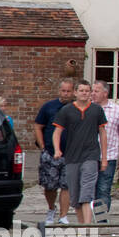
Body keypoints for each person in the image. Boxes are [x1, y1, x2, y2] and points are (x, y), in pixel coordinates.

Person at [51, 80, 107, 224]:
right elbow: (57, 132)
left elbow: (102, 133)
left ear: (90, 93)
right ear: (75, 92)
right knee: (75, 197)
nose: (84, 93)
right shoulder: (66, 110)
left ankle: (87, 227)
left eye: (87, 91)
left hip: (91, 155)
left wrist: (104, 158)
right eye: (81, 90)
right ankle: (82, 227)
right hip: (72, 157)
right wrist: (57, 149)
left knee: (87, 193)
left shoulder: (96, 110)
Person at [33, 78, 74, 224]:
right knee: (49, 186)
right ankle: (51, 208)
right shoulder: (49, 107)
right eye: (63, 91)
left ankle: (63, 215)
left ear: (73, 92)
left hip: (70, 153)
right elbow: (38, 126)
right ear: (59, 91)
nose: (66, 94)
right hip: (50, 152)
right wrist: (42, 146)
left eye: (68, 91)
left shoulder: (76, 108)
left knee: (66, 185)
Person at [90, 80, 119, 224]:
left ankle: (101, 221)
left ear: (105, 93)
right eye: (92, 91)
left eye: (96, 91)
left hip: (109, 156)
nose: (93, 94)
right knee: (89, 188)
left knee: (103, 188)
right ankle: (89, 218)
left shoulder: (117, 110)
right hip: (89, 156)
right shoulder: (88, 109)